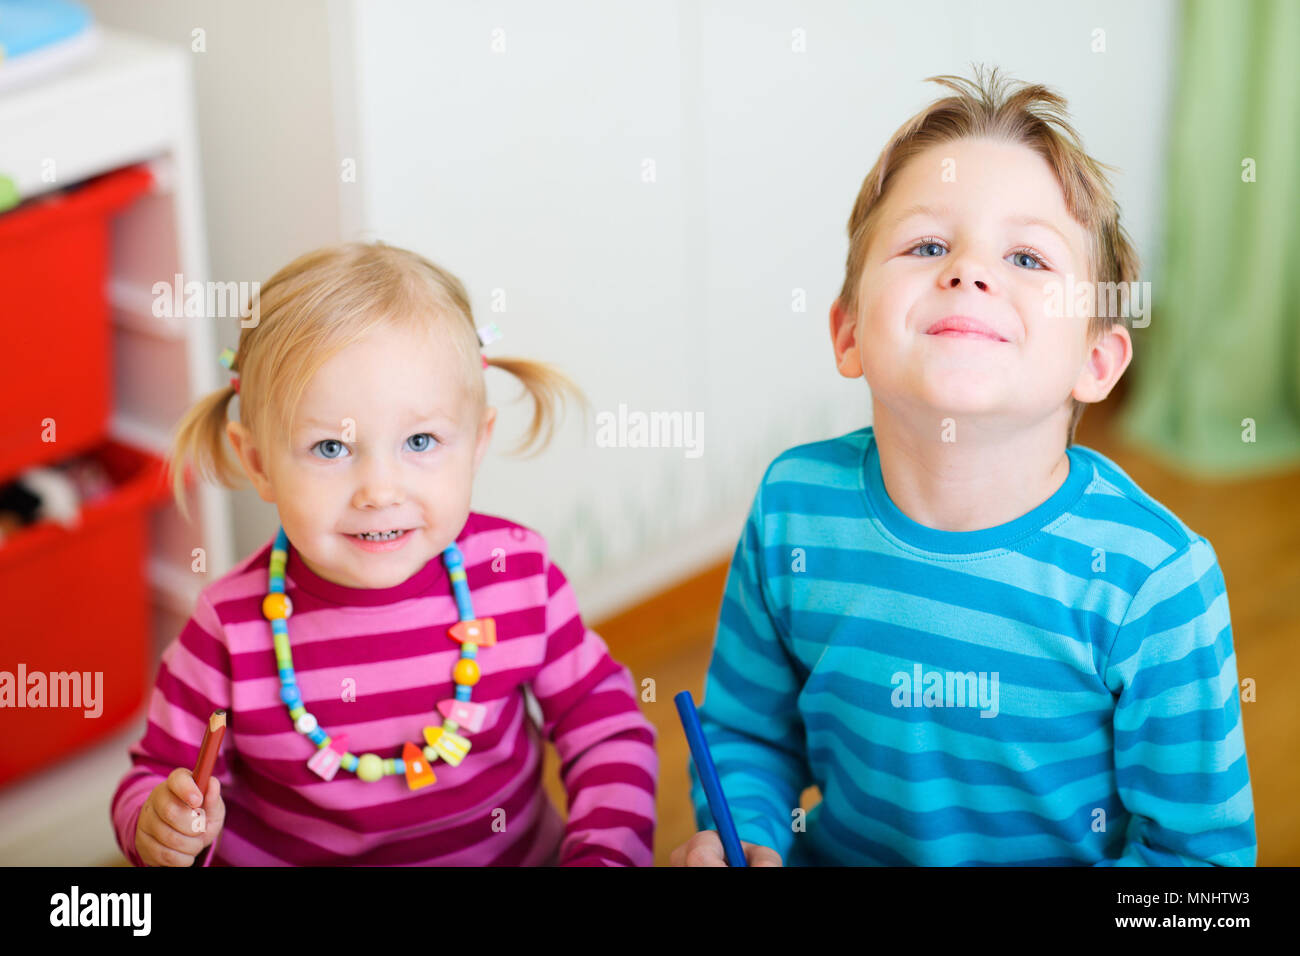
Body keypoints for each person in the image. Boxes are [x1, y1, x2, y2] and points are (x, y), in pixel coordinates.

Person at [672, 66, 1255, 867]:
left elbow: (1202, 868)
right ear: (847, 335)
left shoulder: (1155, 581)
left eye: (1026, 257)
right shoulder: (793, 508)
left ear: (1097, 361)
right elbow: (747, 736)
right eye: (928, 245)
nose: (969, 271)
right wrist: (744, 838)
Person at [113, 241, 657, 865]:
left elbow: (608, 730)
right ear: (258, 463)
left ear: (477, 442)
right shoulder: (229, 629)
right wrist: (162, 825)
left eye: (420, 440)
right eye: (329, 449)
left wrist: (604, 853)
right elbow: (155, 776)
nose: (378, 491)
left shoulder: (519, 577)